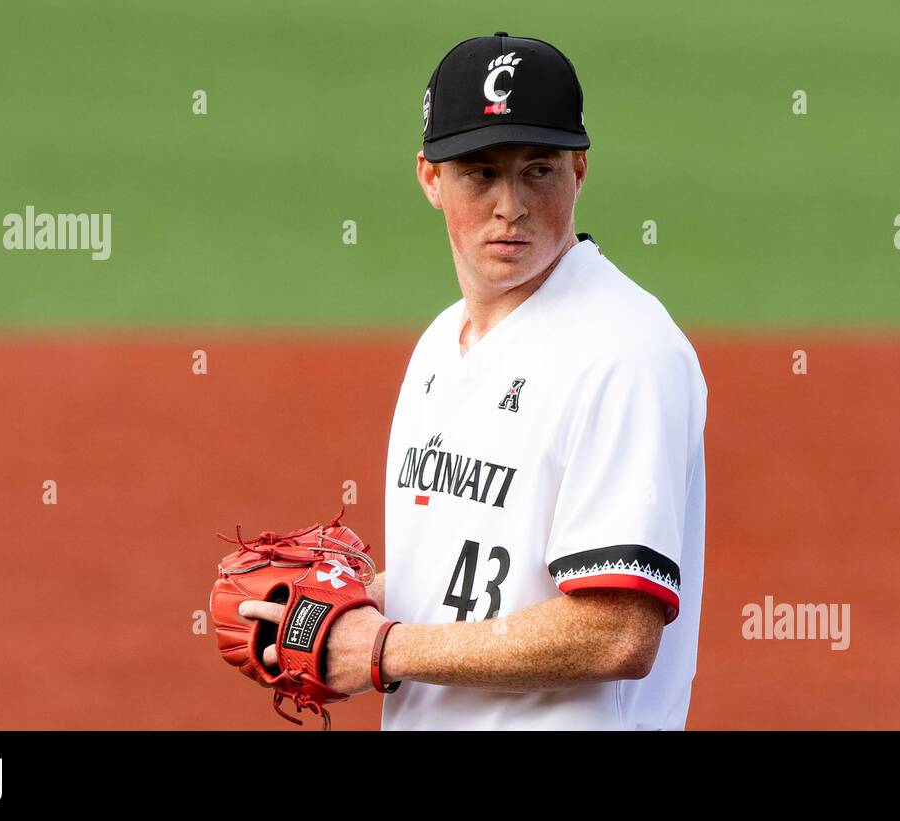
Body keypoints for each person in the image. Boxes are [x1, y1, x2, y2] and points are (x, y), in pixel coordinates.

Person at [243, 32, 708, 730]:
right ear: (431, 178)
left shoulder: (625, 353)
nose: (510, 205)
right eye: (481, 173)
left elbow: (618, 629)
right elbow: (468, 578)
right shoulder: (438, 346)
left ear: (580, 170)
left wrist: (385, 648)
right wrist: (335, 613)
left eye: (538, 170)